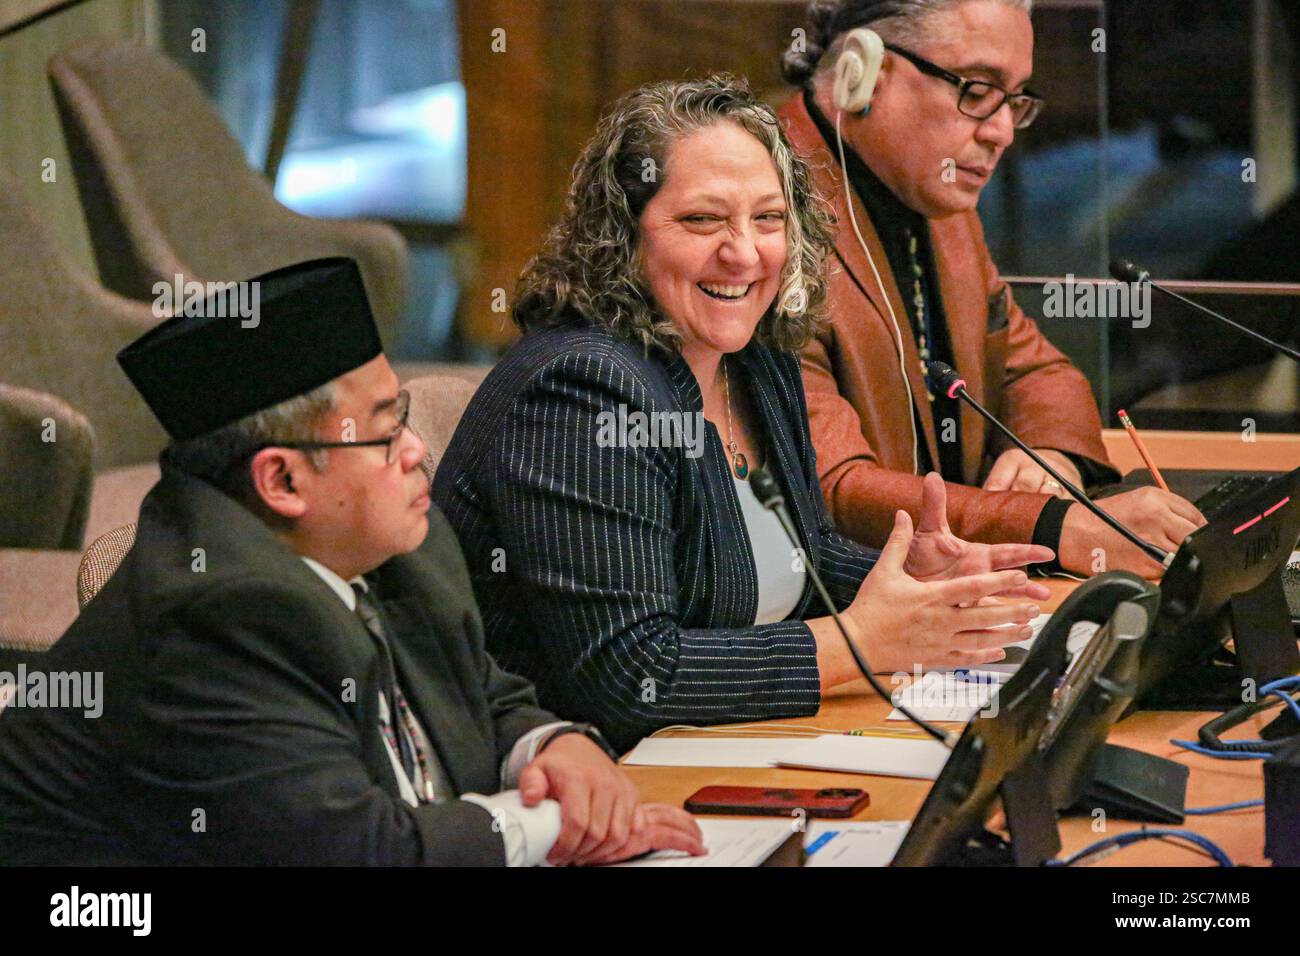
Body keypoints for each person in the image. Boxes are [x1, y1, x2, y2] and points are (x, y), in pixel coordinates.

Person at [0, 257, 701, 866]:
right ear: (282, 482)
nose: (416, 450)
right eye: (384, 431)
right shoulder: (215, 618)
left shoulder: (401, 545)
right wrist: (562, 824)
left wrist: (556, 750)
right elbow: (360, 853)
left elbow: (484, 696)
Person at [432, 76, 1053, 752]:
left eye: (768, 218)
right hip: (591, 783)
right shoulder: (584, 390)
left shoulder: (753, 356)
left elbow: (795, 555)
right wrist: (861, 642)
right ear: (623, 235)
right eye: (702, 220)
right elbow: (629, 675)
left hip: (716, 747)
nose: (744, 252)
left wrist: (904, 583)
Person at [779, 0, 1206, 576]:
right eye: (976, 90)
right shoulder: (760, 213)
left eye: (1015, 99)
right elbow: (832, 487)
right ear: (862, 71)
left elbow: (1035, 373)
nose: (1003, 131)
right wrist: (1050, 525)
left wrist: (1049, 458)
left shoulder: (936, 195)